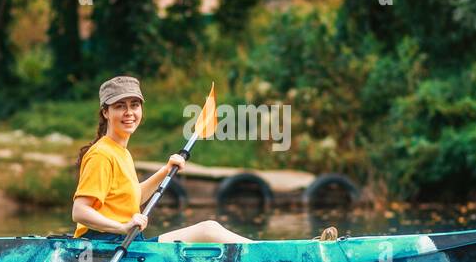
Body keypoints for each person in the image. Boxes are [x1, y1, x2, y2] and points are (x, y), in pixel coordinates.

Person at [71, 75, 337, 244]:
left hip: (126, 242)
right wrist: (122, 227)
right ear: (105, 112)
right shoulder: (101, 154)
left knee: (209, 229)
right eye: (120, 106)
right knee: (209, 229)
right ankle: (283, 255)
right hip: (102, 246)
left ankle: (293, 250)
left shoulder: (122, 152)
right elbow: (80, 212)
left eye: (134, 105)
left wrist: (165, 171)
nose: (129, 112)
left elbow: (131, 199)